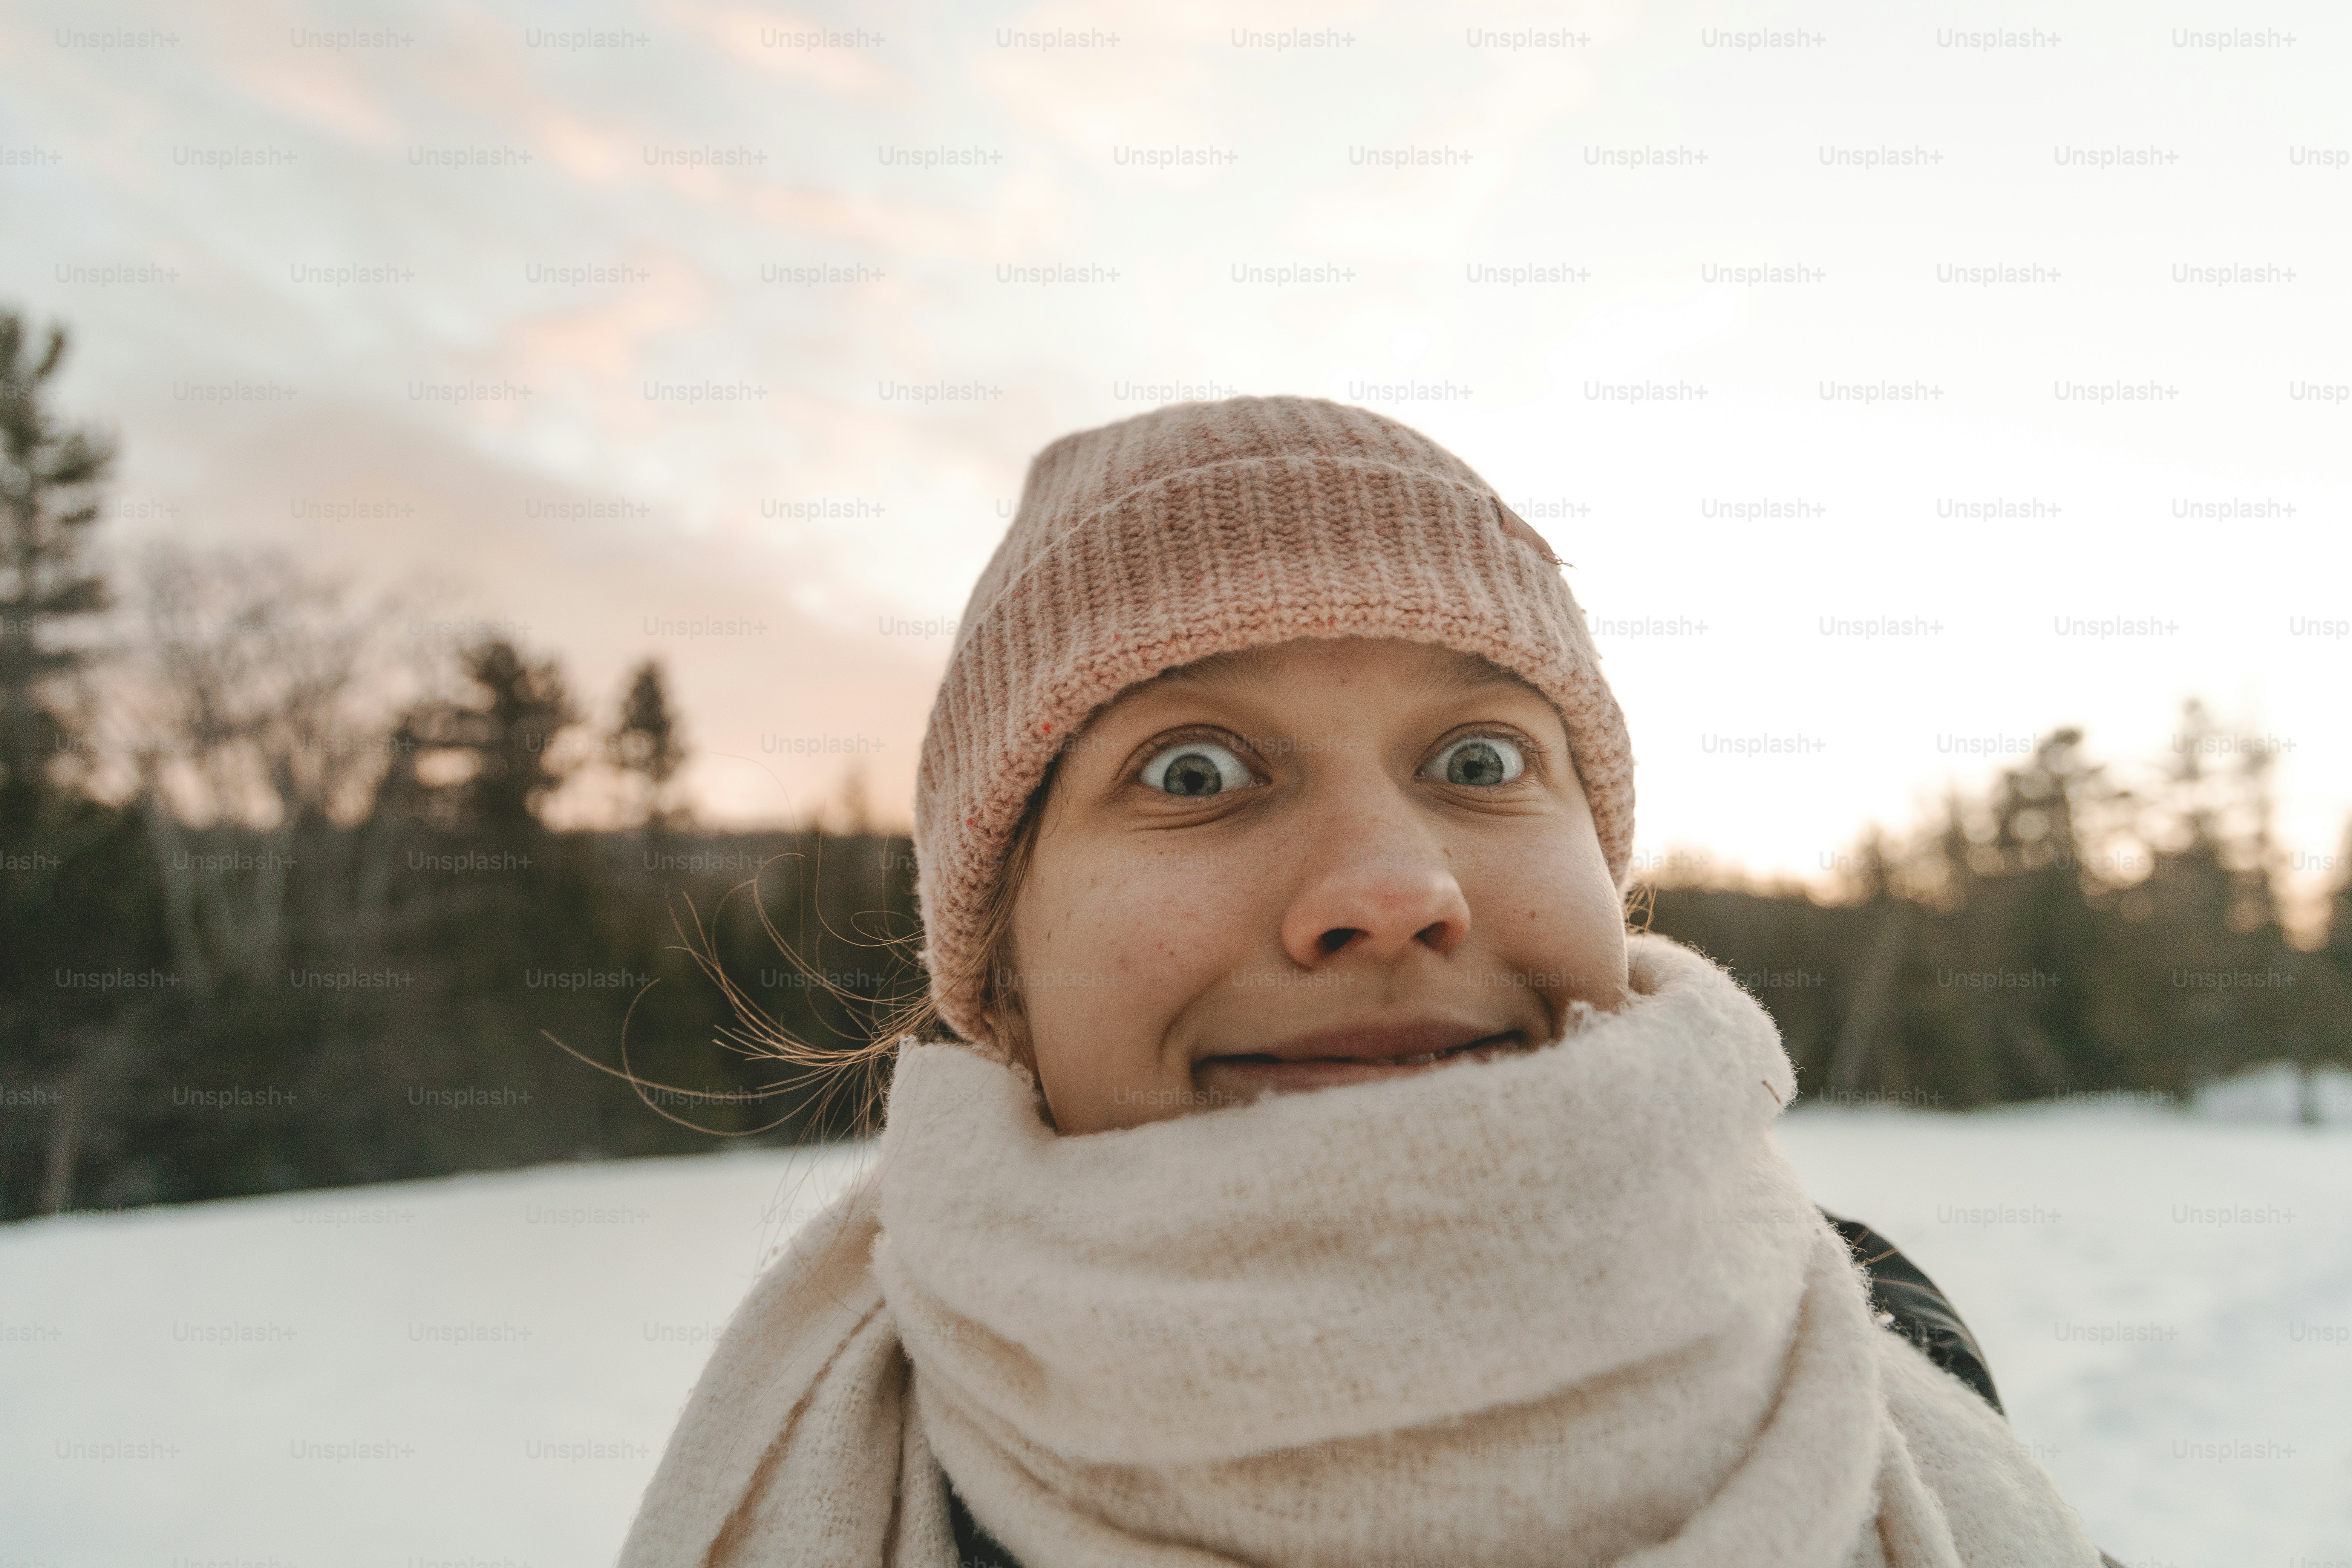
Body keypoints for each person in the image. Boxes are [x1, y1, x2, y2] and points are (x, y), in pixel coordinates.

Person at [619, 397, 2114, 1566]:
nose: (1393, 893)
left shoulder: (1882, 1320)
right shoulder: (847, 1444)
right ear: (999, 975)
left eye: (1481, 759)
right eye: (1193, 772)